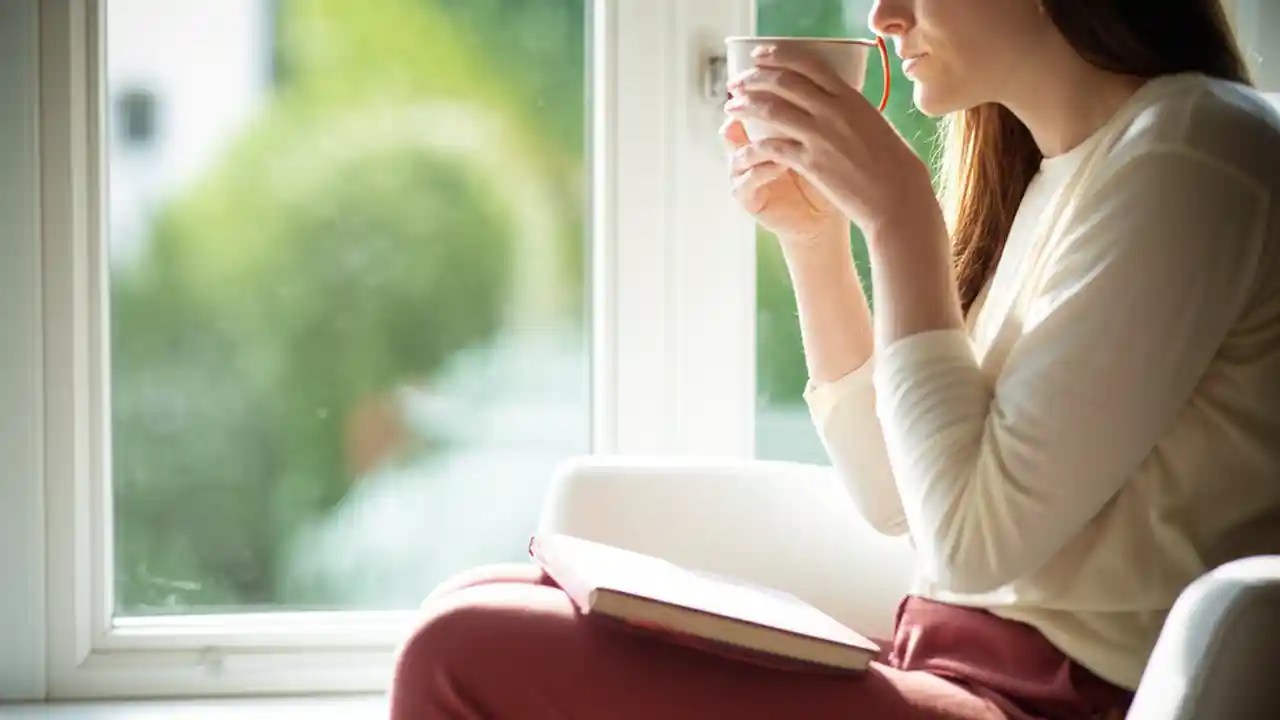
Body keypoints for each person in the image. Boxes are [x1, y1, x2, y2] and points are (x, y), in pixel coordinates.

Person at [389, 0, 1280, 717]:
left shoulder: (1193, 147)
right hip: (948, 664)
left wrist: (900, 222)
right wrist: (816, 241)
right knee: (484, 594)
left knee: (461, 649)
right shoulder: (1066, 170)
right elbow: (899, 498)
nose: (885, 17)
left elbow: (969, 546)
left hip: (1046, 700)